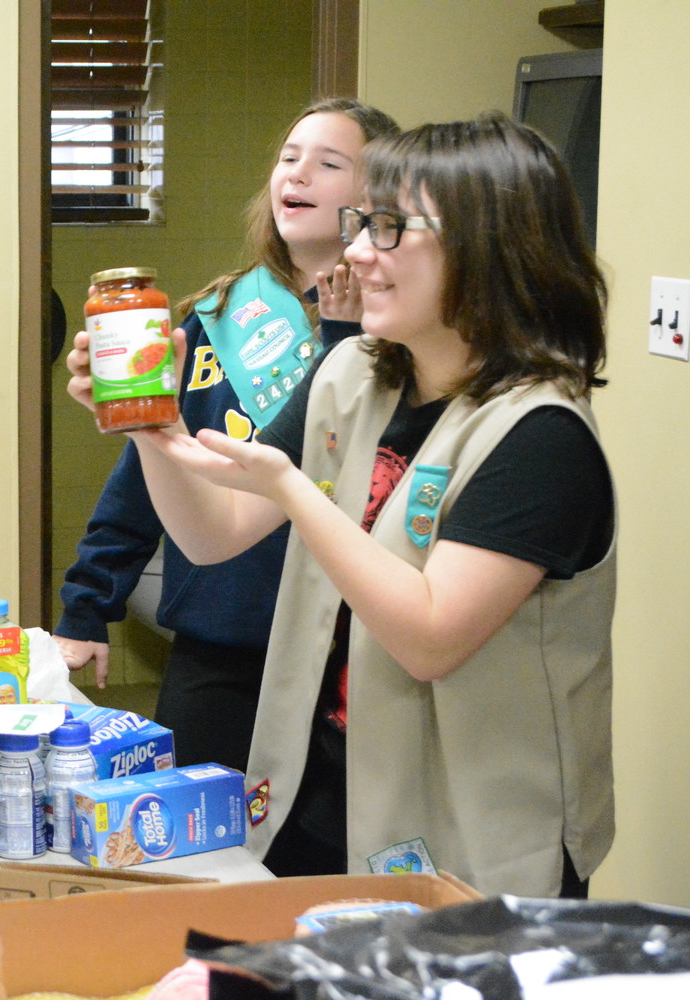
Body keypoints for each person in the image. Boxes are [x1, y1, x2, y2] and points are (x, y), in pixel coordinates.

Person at [67, 113, 613, 898]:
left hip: (468, 840)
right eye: (362, 225)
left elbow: (429, 636)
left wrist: (292, 487)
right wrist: (155, 428)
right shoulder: (354, 377)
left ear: (485, 245)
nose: (357, 252)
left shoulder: (539, 436)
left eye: (388, 228)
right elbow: (211, 533)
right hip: (315, 799)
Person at [54, 98, 398, 775]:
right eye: (287, 158)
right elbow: (143, 474)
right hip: (221, 636)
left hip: (343, 650)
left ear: (377, 204)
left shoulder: (392, 335)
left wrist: (341, 334)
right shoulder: (217, 316)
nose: (295, 175)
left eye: (328, 164)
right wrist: (87, 605)